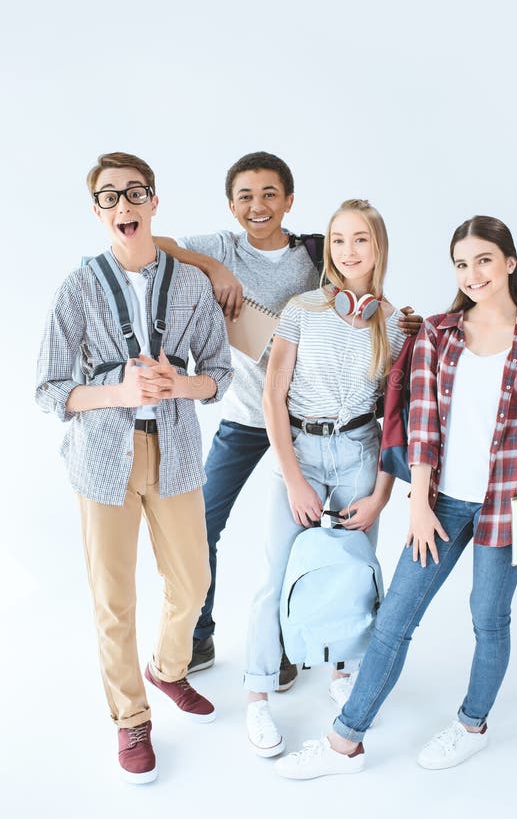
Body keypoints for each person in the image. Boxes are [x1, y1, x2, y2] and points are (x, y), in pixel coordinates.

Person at [275, 215, 517, 779]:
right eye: (462, 263)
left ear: (509, 262)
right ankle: (345, 742)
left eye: (484, 259)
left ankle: (471, 726)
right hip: (442, 504)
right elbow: (423, 424)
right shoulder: (438, 332)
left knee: (489, 619)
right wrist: (416, 501)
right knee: (394, 620)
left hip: (510, 507)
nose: (473, 273)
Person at [155, 153, 421, 684]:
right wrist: (216, 269)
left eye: (270, 194)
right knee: (203, 520)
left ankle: (287, 643)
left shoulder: (314, 254)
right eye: (246, 196)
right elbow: (154, 245)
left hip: (307, 424)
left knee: (304, 538)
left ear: (290, 201)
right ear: (231, 205)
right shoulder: (220, 246)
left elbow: (359, 298)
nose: (259, 206)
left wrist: (401, 323)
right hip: (245, 415)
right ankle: (200, 632)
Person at [35, 152, 233, 784]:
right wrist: (116, 392)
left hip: (174, 453)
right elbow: (48, 390)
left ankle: (168, 669)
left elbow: (220, 377)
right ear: (98, 211)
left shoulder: (192, 285)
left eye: (135, 193)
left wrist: (180, 384)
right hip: (102, 459)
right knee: (113, 599)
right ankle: (130, 718)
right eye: (110, 197)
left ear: (154, 202)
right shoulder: (78, 286)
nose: (124, 205)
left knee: (193, 581)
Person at [244, 198, 407, 757]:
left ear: (378, 246)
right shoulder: (302, 309)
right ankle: (258, 694)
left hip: (361, 454)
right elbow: (272, 394)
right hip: (303, 451)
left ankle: (344, 674)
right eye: (338, 240)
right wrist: (293, 479)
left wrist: (382, 495)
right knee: (276, 574)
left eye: (360, 239)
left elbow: (397, 421)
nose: (347, 251)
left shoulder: (395, 325)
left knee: (353, 574)